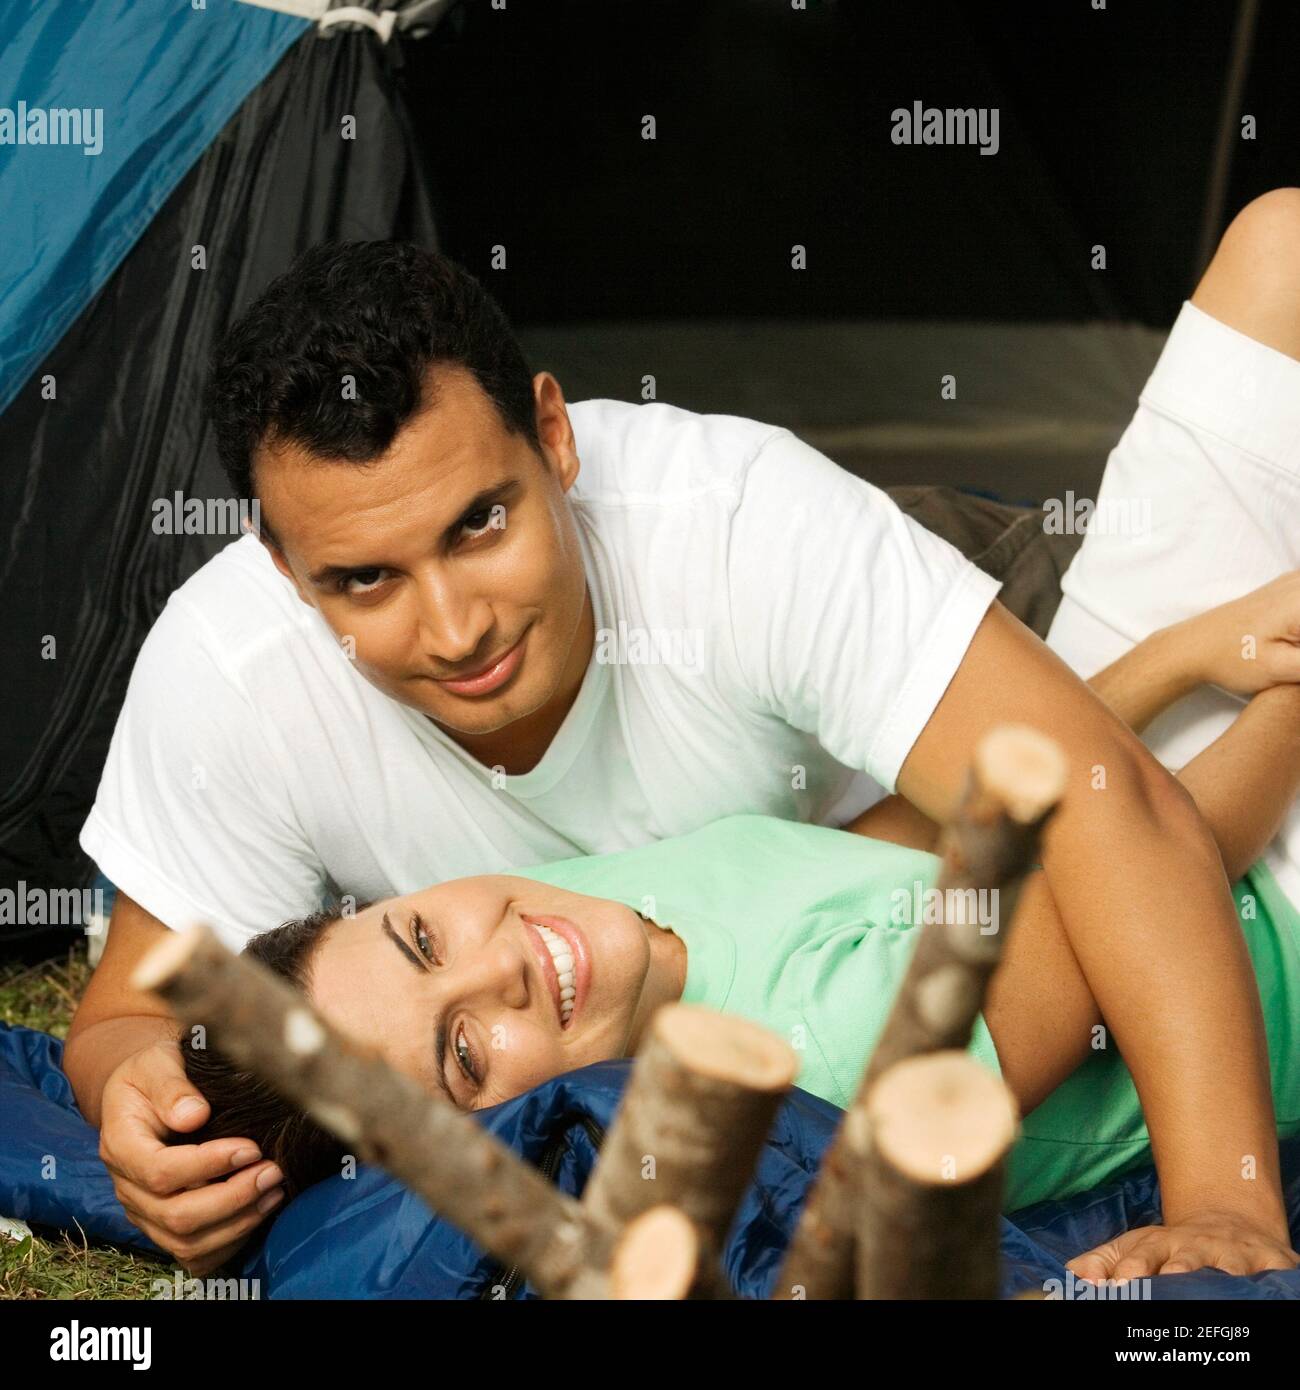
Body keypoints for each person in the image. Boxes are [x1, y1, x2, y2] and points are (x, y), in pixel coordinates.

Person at [63, 191, 1300, 1280]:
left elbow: (1097, 801)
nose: (453, 627)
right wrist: (149, 1111)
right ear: (282, 570)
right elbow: (124, 1016)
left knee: (1280, 246)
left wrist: (1227, 1202)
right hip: (1088, 863)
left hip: (987, 690)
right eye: (363, 582)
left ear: (556, 438)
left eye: (481, 523)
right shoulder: (234, 673)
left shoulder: (737, 524)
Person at [177, 570, 1300, 1281]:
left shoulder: (582, 921)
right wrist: (1284, 691)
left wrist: (1196, 651)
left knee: (1272, 246)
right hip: (1267, 904)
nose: (500, 964)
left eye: (422, 939)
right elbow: (1136, 846)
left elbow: (916, 842)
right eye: (463, 1054)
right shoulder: (826, 1069)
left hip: (1166, 769)